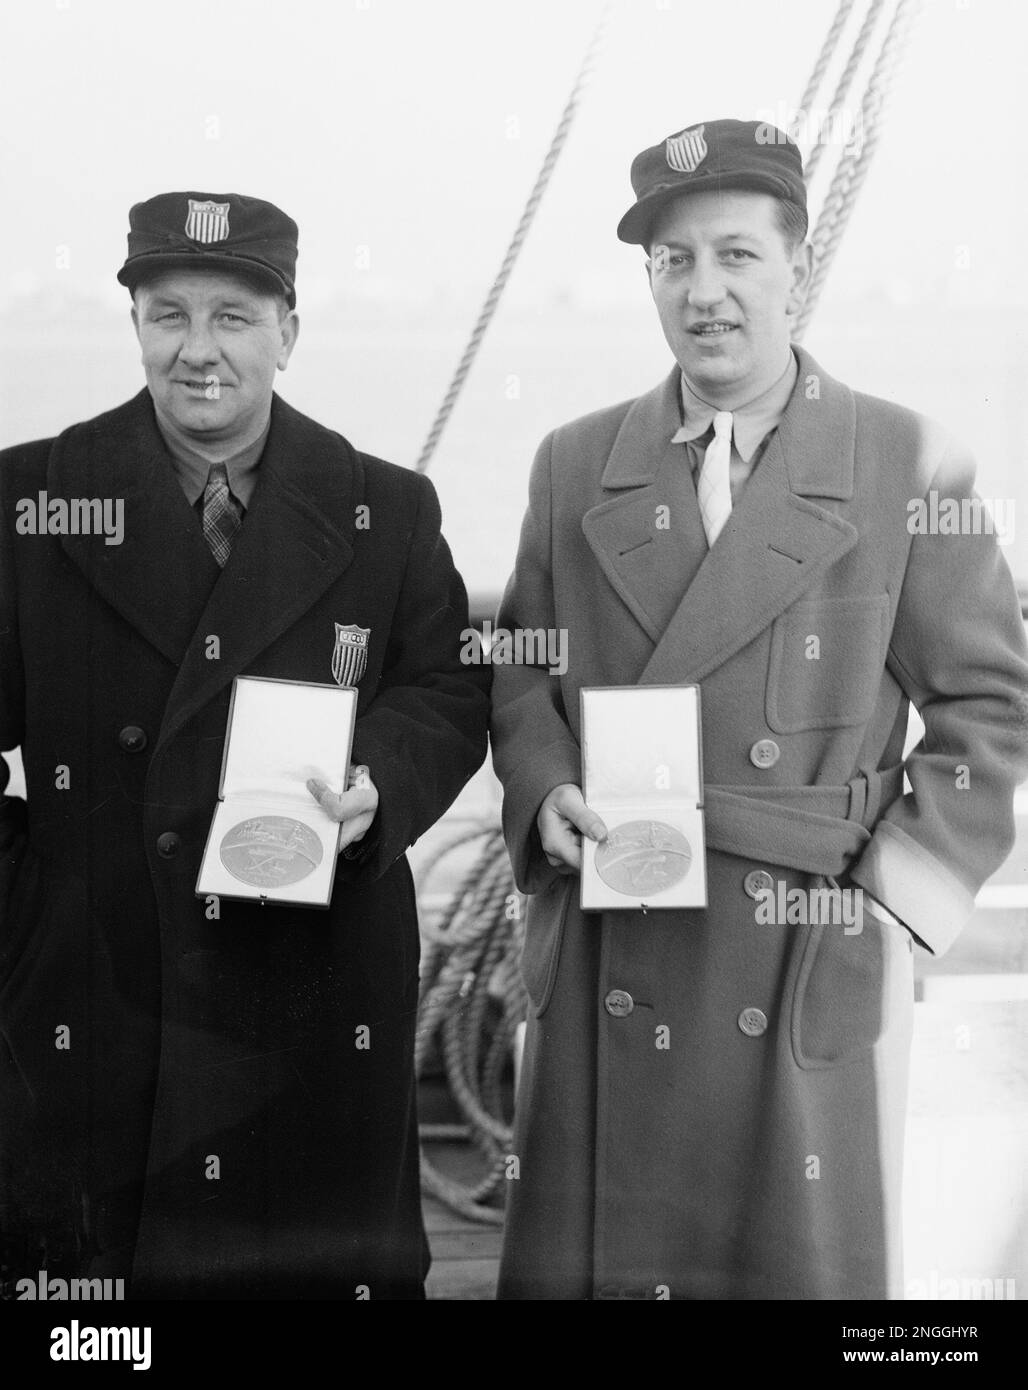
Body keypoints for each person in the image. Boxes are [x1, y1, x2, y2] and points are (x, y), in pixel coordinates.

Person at [489, 120, 1028, 1300]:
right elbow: (520, 667)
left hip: (797, 940)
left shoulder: (904, 465)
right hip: (610, 929)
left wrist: (890, 900)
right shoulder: (573, 464)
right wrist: (543, 790)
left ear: (798, 269)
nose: (704, 293)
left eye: (735, 255)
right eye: (672, 262)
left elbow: (992, 705)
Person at [0, 191, 490, 1299]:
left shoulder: (386, 508)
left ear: (288, 332)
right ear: (134, 327)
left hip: (313, 984)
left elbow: (448, 687)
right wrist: (26, 904)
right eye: (168, 314)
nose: (199, 349)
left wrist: (382, 788)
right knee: (94, 1307)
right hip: (94, 994)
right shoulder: (29, 500)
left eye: (233, 315)